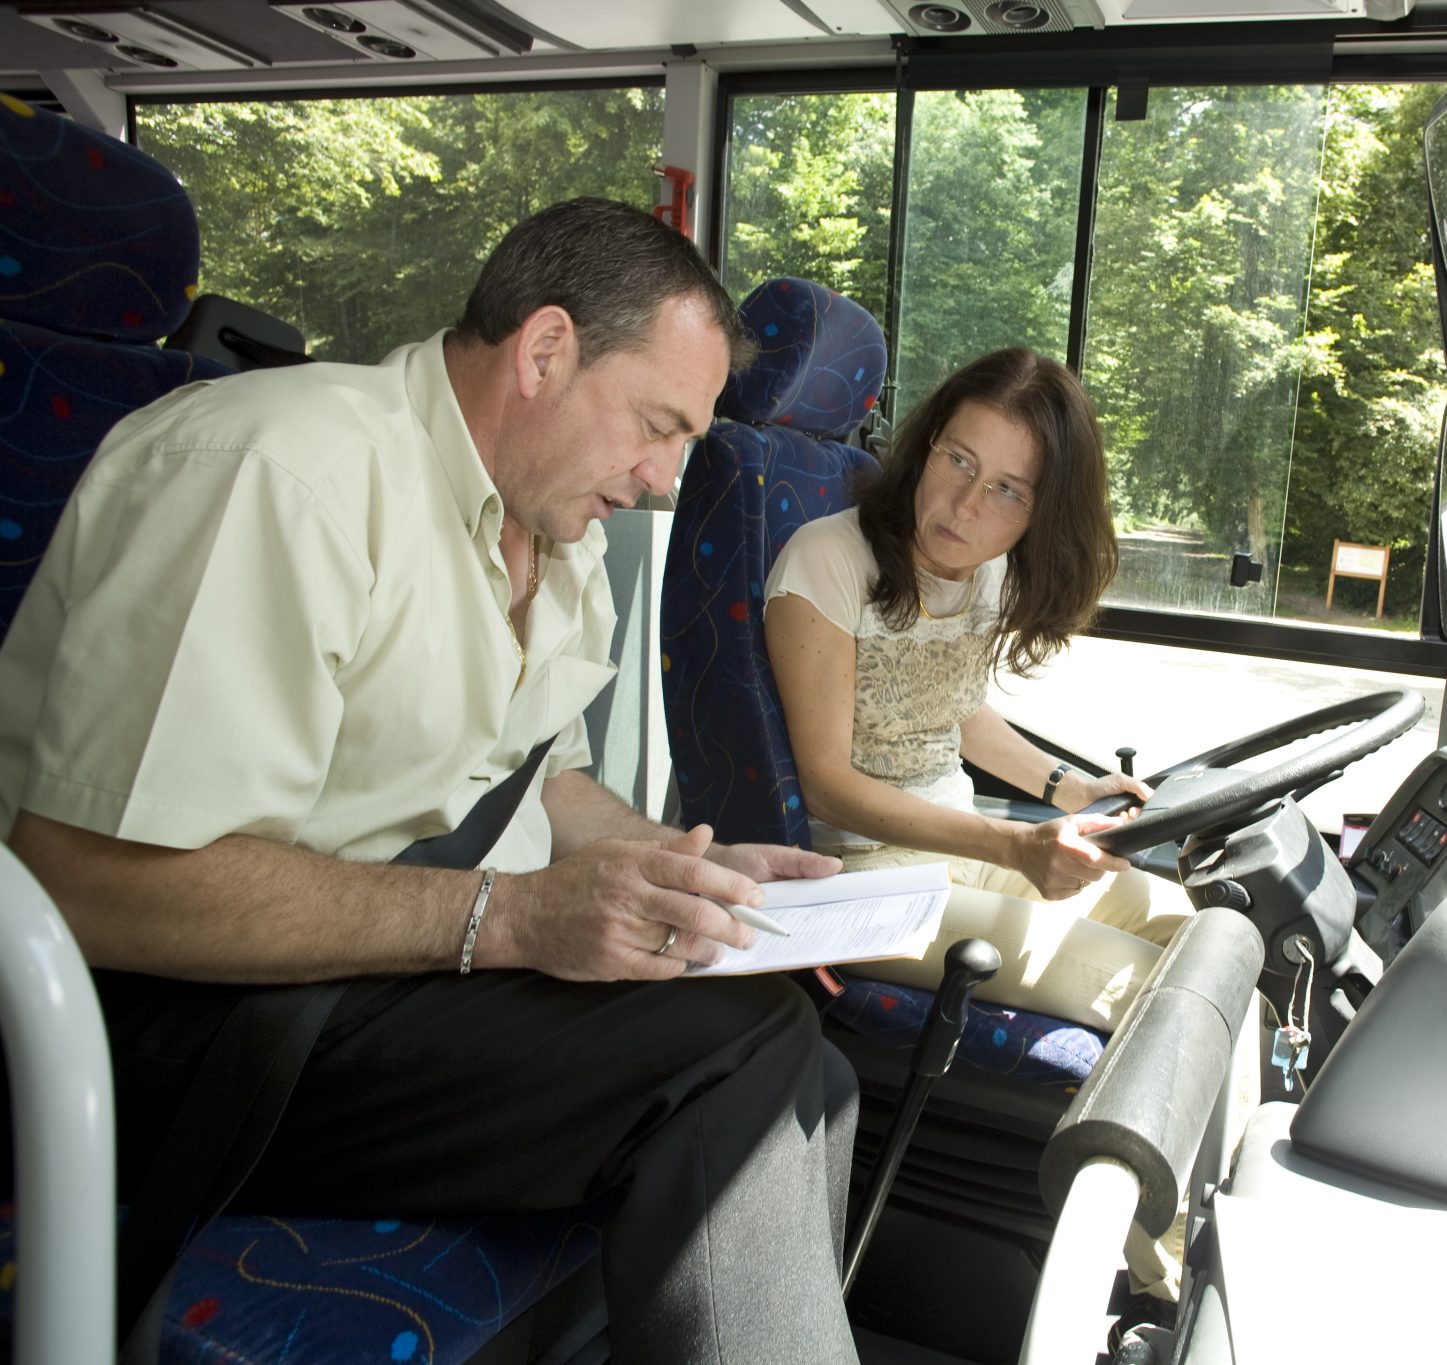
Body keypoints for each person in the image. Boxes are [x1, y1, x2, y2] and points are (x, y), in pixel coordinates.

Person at [0, 198, 860, 1363]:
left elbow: (526, 773)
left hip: (364, 980)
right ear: (545, 351)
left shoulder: (555, 545)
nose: (662, 481)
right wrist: (506, 920)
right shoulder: (284, 473)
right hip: (156, 1017)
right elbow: (99, 884)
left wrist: (666, 866)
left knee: (812, 1068)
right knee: (735, 1045)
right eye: (656, 426)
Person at [763, 350, 1190, 1010]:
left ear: (1038, 514)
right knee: (1157, 992)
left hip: (957, 846)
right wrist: (1017, 846)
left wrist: (1074, 789)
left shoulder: (988, 570)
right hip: (863, 879)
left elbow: (955, 709)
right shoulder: (827, 559)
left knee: (1191, 931)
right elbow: (826, 787)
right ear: (926, 444)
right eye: (959, 459)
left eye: (1006, 488)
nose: (964, 504)